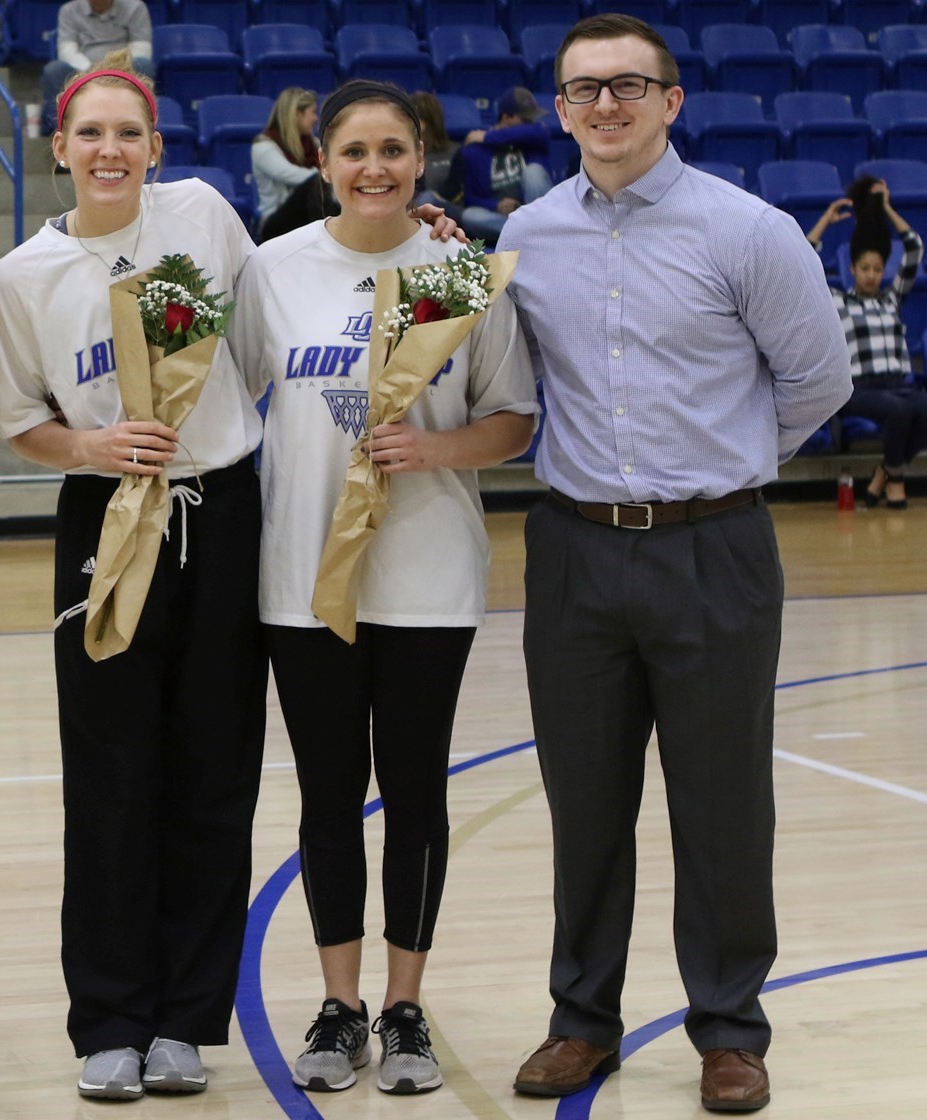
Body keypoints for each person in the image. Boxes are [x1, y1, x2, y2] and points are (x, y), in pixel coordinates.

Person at [497, 14, 851, 1113]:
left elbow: (817, 381)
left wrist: (724, 470)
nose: (604, 106)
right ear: (558, 109)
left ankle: (729, 1028)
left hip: (715, 548)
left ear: (669, 101)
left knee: (721, 801)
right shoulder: (524, 231)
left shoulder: (745, 230)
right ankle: (580, 1020)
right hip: (571, 549)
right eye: (582, 90)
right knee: (582, 802)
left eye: (627, 86)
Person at [232, 78, 537, 1098]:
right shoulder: (269, 270)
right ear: (320, 162)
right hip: (299, 575)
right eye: (352, 151)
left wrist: (434, 444)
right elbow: (219, 406)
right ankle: (338, 1002)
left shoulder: (458, 271)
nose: (373, 169)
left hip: (426, 574)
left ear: (421, 159)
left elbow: (513, 419)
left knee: (412, 791)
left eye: (392, 151)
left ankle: (404, 1006)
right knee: (326, 794)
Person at [0, 50, 269, 1103]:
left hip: (220, 509)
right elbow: (22, 423)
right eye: (88, 134)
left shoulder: (201, 216)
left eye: (127, 134)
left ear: (154, 149)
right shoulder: (22, 276)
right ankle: (108, 1017)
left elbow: (261, 343)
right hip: (102, 518)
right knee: (109, 772)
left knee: (212, 767)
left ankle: (187, 1019)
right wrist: (92, 450)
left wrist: (429, 248)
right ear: (58, 149)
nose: (109, 151)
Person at [807, 178, 927, 510]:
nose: (871, 274)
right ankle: (896, 482)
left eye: (877, 268)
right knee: (898, 411)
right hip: (857, 390)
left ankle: (885, 471)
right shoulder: (838, 301)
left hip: (898, 385)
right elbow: (804, 261)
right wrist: (826, 219)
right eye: (865, 268)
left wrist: (886, 209)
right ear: (852, 268)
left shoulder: (891, 299)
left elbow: (914, 248)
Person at [458, 87, 553, 242]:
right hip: (503, 217)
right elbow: (470, 198)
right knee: (470, 216)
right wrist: (496, 205)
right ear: (506, 117)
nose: (531, 123)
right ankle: (529, 235)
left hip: (535, 210)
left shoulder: (535, 138)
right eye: (525, 120)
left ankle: (535, 232)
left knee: (533, 171)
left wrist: (489, 136)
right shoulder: (475, 150)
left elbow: (539, 131)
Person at [40, 0, 152, 126]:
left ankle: (142, 122)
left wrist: (118, 69)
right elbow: (67, 51)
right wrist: (93, 71)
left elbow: (142, 49)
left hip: (124, 67)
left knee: (144, 65)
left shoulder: (137, 7)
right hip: (83, 70)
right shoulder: (68, 10)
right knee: (53, 70)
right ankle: (59, 127)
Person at [250, 87, 320, 234]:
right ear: (296, 114)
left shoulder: (314, 143)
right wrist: (326, 176)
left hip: (310, 218)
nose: (316, 118)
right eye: (312, 112)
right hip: (277, 224)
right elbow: (295, 176)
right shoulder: (263, 147)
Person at [410, 90, 462, 218]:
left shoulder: (454, 150)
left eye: (414, 117)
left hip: (449, 208)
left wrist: (436, 195)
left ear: (427, 121)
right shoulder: (408, 151)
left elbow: (454, 188)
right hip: (414, 206)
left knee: (427, 198)